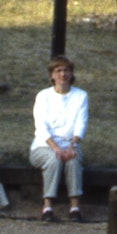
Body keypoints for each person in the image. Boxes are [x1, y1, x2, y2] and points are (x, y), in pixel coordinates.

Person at [30, 55, 88, 223]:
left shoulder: (81, 96)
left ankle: (75, 207)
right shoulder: (43, 96)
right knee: (54, 159)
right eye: (58, 71)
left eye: (66, 70)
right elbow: (41, 127)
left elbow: (81, 124)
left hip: (69, 143)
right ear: (52, 75)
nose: (63, 74)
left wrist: (72, 145)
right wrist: (55, 148)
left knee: (73, 159)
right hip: (44, 145)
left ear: (71, 74)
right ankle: (47, 206)